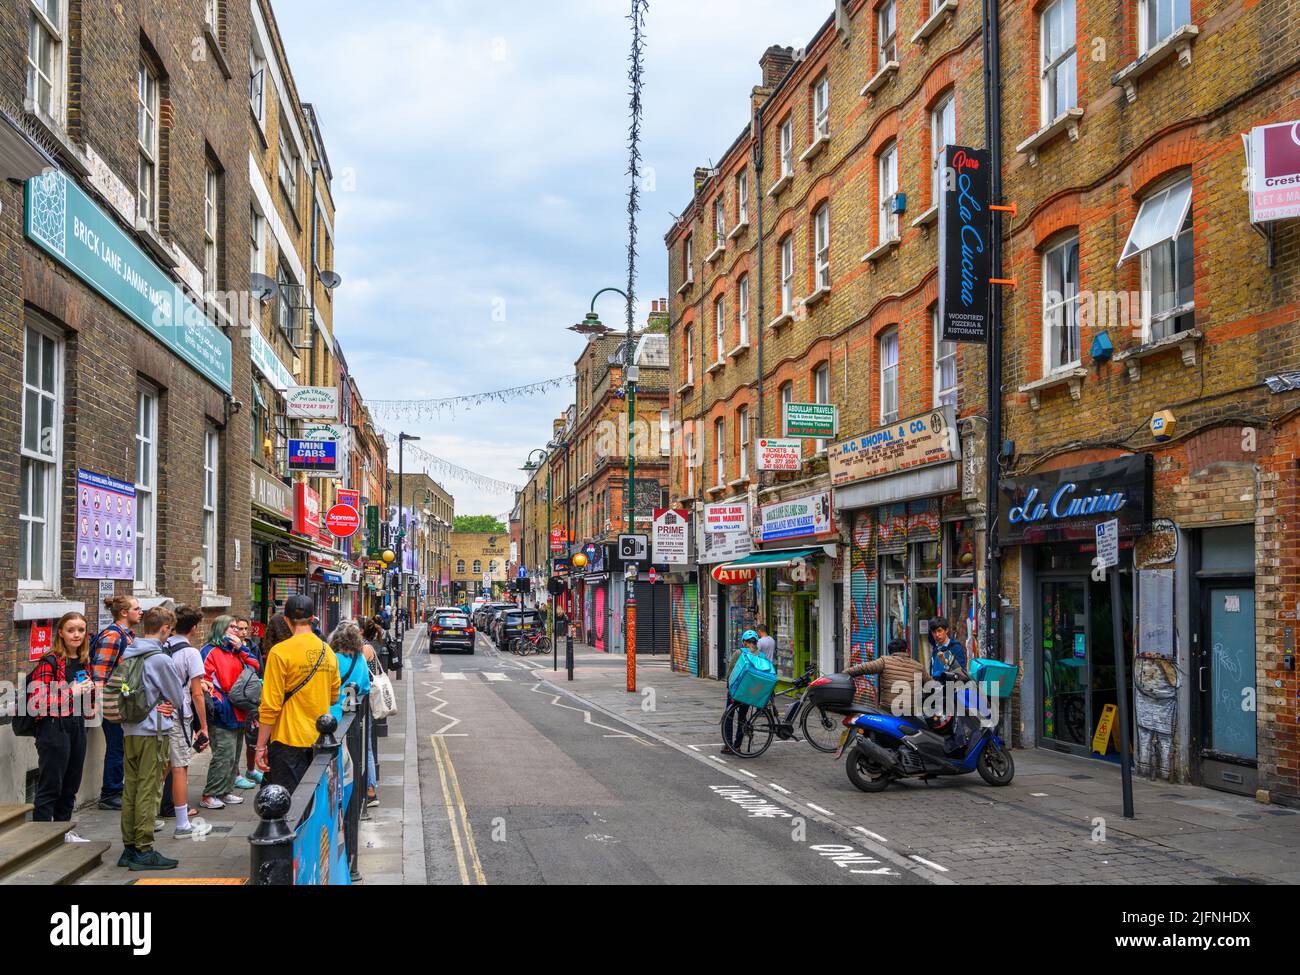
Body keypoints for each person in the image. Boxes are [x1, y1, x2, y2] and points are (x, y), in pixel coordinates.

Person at [117, 606, 186, 871]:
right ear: (166, 629)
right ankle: (144, 850)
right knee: (149, 790)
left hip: (130, 729)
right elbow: (178, 697)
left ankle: (129, 848)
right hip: (153, 731)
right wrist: (168, 701)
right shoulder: (160, 658)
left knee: (130, 790)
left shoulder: (129, 653)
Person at [256, 594, 341, 792]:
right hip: (320, 739)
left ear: (286, 620)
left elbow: (270, 706)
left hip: (288, 740)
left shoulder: (279, 652)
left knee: (288, 802)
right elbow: (334, 696)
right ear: (313, 618)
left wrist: (260, 747)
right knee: (313, 800)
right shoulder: (327, 651)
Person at [29, 612, 95, 840]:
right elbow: (37, 702)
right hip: (53, 726)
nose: (76, 635)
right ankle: (41, 837)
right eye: (71, 630)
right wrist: (71, 692)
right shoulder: (49, 661)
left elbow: (86, 695)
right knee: (51, 784)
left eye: (81, 630)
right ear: (60, 633)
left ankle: (64, 831)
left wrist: (90, 697)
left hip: (77, 724)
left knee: (71, 784)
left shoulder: (84, 659)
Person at [200, 615, 261, 809]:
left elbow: (255, 666)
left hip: (240, 709)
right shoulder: (209, 652)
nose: (236, 631)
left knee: (234, 755)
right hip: (223, 711)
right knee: (223, 754)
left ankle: (225, 791)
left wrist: (241, 648)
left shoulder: (236, 651)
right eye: (231, 627)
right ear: (220, 629)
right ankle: (210, 794)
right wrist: (219, 703)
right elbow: (204, 681)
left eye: (236, 627)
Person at [162, 604, 211, 839]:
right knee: (180, 766)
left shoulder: (162, 645)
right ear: (194, 628)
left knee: (160, 767)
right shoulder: (191, 653)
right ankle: (182, 824)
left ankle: (148, 816)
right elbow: (197, 694)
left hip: (157, 712)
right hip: (179, 714)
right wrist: (203, 726)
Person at [90, 594, 141, 810]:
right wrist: (99, 704)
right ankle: (110, 793)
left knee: (121, 746)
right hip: (112, 702)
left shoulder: (127, 635)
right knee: (116, 747)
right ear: (123, 612)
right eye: (137, 609)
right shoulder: (113, 636)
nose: (140, 612)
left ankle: (117, 789)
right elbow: (100, 673)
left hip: (123, 700)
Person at [845, 637, 925, 717]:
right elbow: (932, 685)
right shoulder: (918, 666)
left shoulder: (884, 661)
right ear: (907, 650)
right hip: (910, 711)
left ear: (890, 652)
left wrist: (843, 674)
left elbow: (862, 668)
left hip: (888, 710)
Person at [721, 629, 762, 755]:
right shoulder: (760, 655)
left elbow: (730, 671)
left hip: (737, 691)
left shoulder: (739, 653)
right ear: (756, 642)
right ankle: (737, 746)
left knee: (728, 717)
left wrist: (729, 687)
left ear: (744, 642)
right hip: (750, 691)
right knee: (743, 718)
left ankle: (728, 746)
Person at [359, 618, 384, 807]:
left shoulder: (363, 649)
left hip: (365, 704)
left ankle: (371, 790)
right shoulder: (368, 647)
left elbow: (363, 679)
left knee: (365, 746)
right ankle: (369, 788)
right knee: (365, 745)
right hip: (367, 704)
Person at [328, 622, 372, 725]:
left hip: (331, 713)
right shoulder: (361, 659)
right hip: (352, 714)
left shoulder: (332, 658)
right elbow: (366, 687)